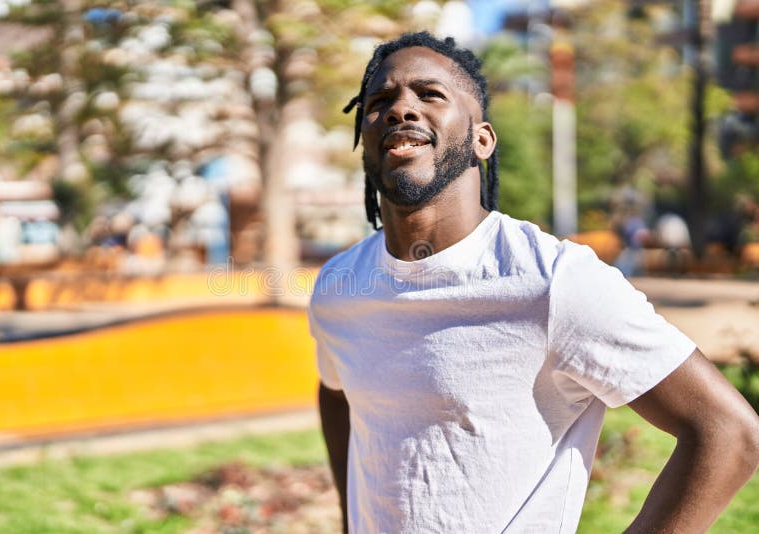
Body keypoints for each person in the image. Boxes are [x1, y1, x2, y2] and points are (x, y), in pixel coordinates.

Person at [308, 32, 759, 533]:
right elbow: (337, 392)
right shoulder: (339, 286)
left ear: (482, 140)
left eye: (429, 93)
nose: (400, 109)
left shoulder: (554, 282)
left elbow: (729, 433)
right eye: (378, 102)